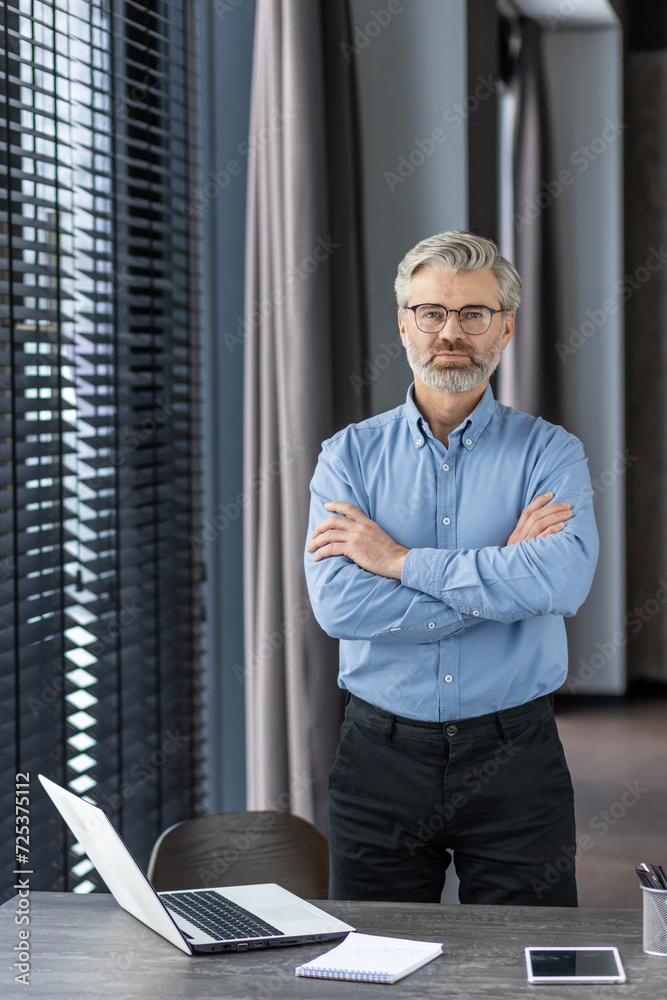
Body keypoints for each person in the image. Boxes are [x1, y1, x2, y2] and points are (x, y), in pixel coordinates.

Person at [303, 231, 598, 907]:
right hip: (378, 755)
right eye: (431, 312)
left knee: (531, 966)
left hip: (514, 755)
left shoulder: (550, 455)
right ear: (403, 323)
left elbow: (561, 583)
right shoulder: (346, 458)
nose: (450, 332)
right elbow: (341, 607)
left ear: (505, 327)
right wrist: (500, 576)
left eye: (473, 314)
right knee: (371, 965)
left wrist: (398, 562)